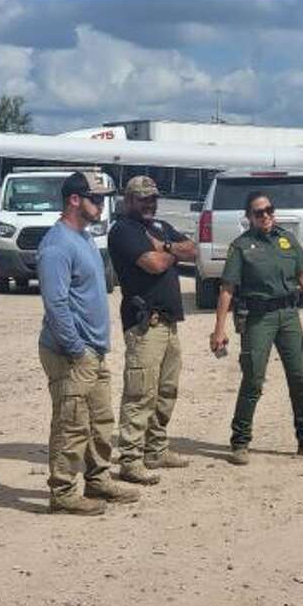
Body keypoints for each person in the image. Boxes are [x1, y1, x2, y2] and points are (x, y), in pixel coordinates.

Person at [36, 172, 140, 515]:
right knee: (71, 423)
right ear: (74, 200)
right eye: (96, 199)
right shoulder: (57, 245)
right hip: (71, 353)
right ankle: (63, 492)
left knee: (100, 421)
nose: (102, 205)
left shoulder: (82, 238)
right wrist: (76, 349)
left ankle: (97, 480)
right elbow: (56, 304)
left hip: (92, 352)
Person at [209, 191, 303, 464]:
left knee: (299, 377)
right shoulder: (241, 246)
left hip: (289, 315)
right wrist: (219, 328)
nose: (265, 215)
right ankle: (240, 442)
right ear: (249, 217)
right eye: (258, 212)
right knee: (253, 379)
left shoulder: (286, 239)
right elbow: (227, 289)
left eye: (269, 210)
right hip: (258, 318)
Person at [107, 176, 197, 485]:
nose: (150, 204)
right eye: (144, 199)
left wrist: (168, 246)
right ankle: (130, 458)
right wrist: (170, 254)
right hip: (145, 324)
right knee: (140, 392)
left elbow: (193, 250)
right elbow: (154, 264)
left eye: (153, 198)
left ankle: (156, 448)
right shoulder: (123, 231)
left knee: (166, 390)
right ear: (129, 200)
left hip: (169, 323)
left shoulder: (160, 229)